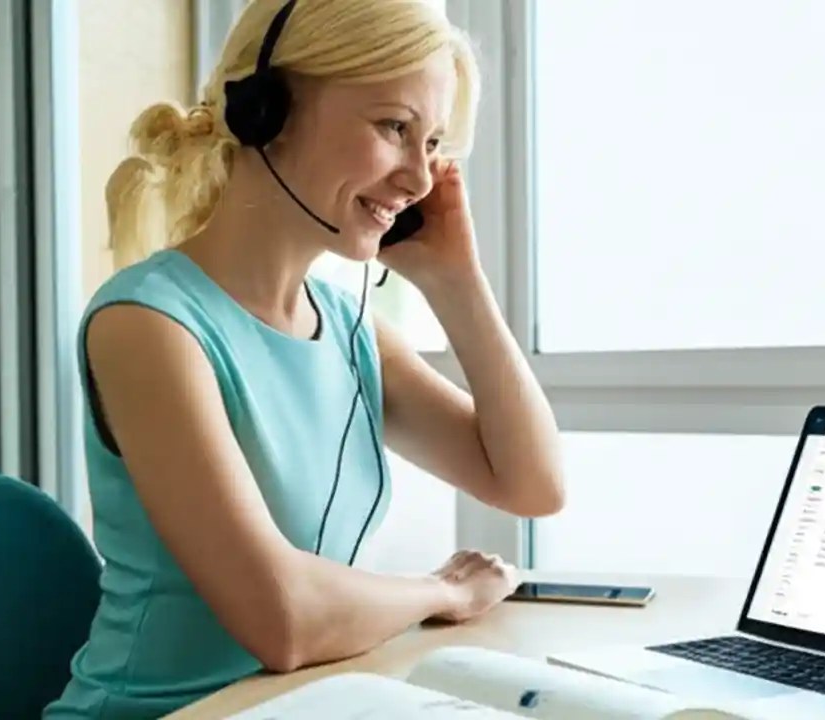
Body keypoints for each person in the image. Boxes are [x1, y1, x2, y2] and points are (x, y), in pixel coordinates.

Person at [44, 0, 564, 717]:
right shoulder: (148, 324)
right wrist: (443, 592)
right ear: (270, 109)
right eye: (395, 127)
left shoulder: (349, 326)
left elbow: (532, 485)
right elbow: (282, 621)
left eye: (434, 142)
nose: (420, 177)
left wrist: (458, 282)